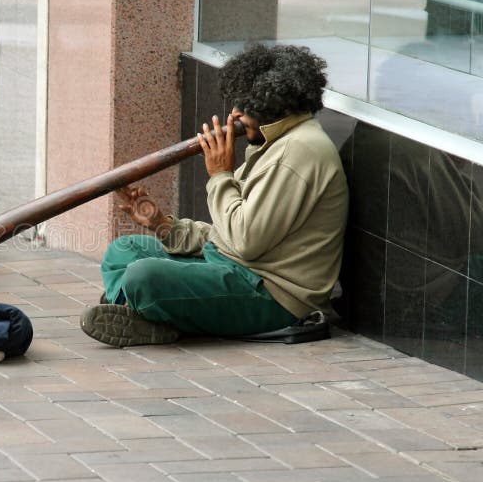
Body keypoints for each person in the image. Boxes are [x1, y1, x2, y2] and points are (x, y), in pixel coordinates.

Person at [80, 43, 349, 347]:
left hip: (271, 294)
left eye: (245, 106)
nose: (234, 114)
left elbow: (245, 241)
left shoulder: (298, 152)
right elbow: (226, 238)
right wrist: (162, 224)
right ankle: (144, 316)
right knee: (124, 251)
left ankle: (143, 312)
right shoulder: (276, 143)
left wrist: (221, 174)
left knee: (143, 277)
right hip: (234, 268)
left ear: (276, 106)